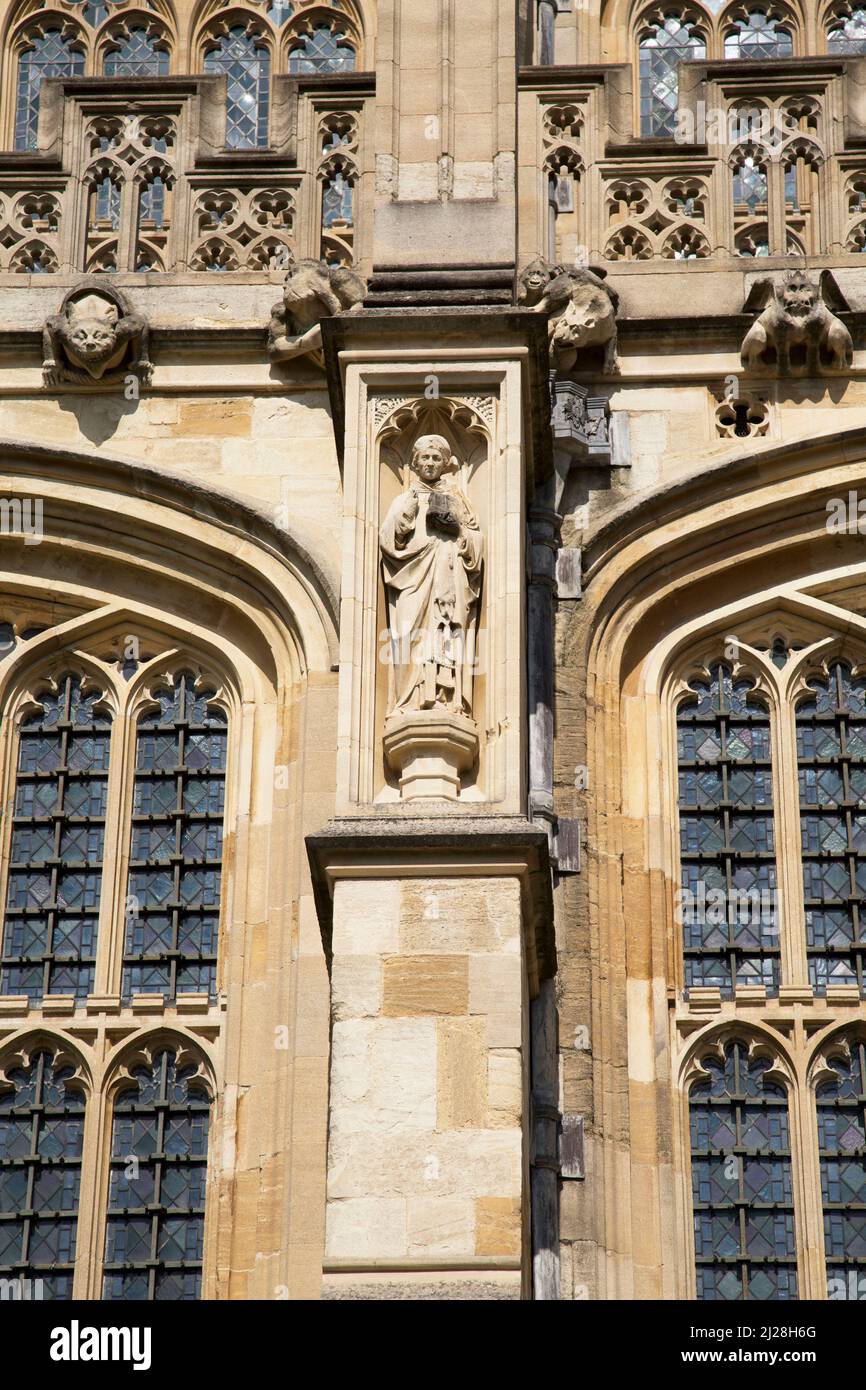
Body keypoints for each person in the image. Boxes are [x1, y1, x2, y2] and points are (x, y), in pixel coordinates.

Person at [380, 435, 483, 717]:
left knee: (446, 634)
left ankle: (445, 699)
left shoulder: (458, 501)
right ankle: (408, 701)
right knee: (409, 634)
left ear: (444, 464)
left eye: (436, 458)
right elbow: (389, 543)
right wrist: (406, 519)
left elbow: (475, 544)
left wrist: (458, 531)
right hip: (413, 580)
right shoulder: (404, 500)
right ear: (414, 463)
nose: (430, 463)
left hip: (449, 580)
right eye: (425, 458)